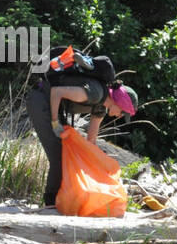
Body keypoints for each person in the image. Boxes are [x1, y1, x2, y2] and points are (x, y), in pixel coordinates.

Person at [26, 66, 138, 208]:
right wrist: (55, 122)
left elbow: (91, 142)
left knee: (65, 153)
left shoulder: (101, 108)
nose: (120, 116)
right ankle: (50, 203)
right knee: (58, 155)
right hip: (40, 98)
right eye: (123, 112)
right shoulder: (95, 94)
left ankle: (64, 200)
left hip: (53, 105)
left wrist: (97, 167)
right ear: (119, 101)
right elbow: (56, 92)